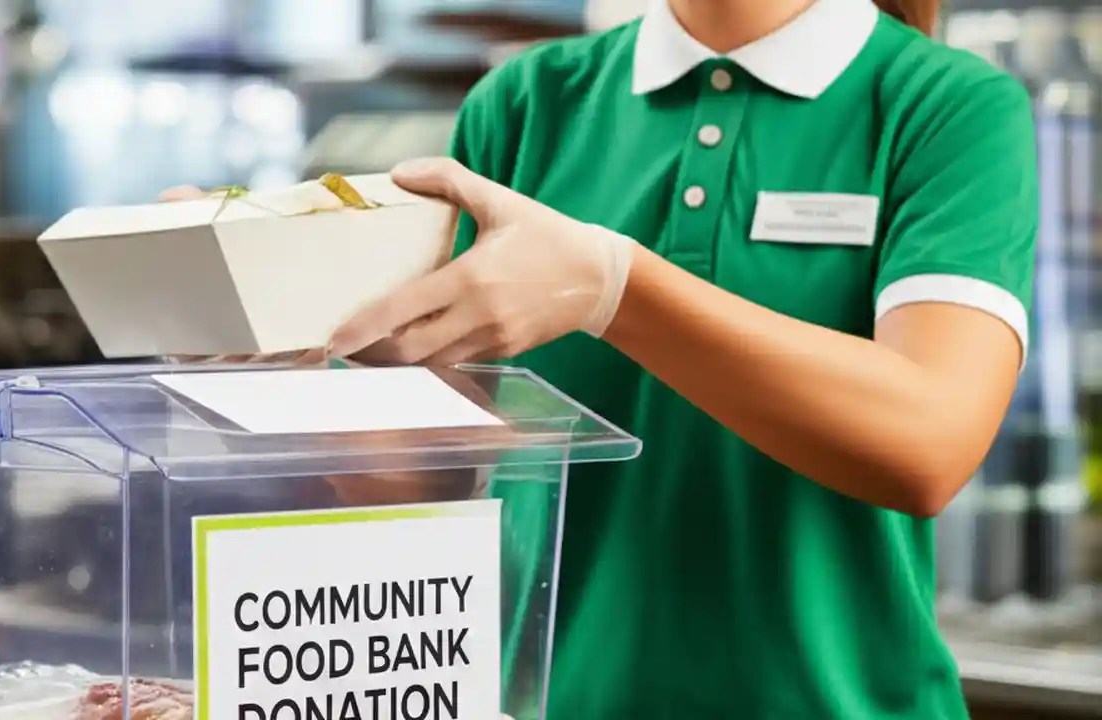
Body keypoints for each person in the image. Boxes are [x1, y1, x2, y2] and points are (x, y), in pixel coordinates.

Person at [322, 0, 1036, 717]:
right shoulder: (527, 101)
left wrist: (613, 288)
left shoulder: (946, 104)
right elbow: (417, 481)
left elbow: (929, 444)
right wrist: (286, 358)